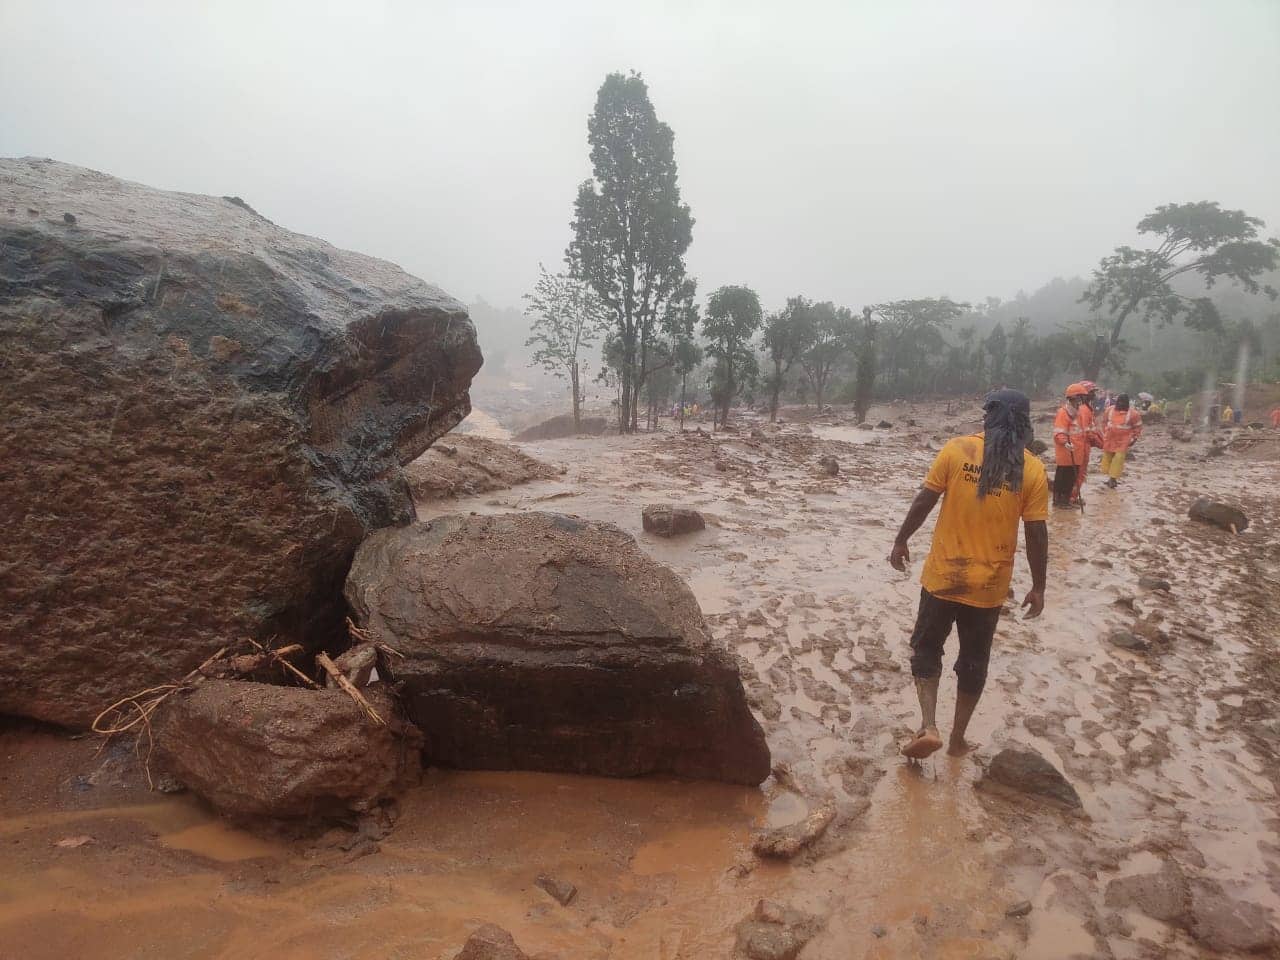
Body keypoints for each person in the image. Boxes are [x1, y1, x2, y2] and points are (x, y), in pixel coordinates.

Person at [888, 389, 1048, 759]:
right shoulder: (1033, 470)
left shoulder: (956, 450)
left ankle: (929, 725)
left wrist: (901, 540)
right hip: (989, 587)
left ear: (987, 416)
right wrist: (1039, 585)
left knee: (927, 649)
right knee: (974, 663)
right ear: (1025, 423)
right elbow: (1037, 532)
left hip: (944, 576)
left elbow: (925, 500)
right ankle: (958, 740)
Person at [1052, 383, 1090, 508]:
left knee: (1071, 479)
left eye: (1082, 398)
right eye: (1079, 398)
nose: (1081, 401)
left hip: (1077, 452)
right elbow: (1059, 432)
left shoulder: (1078, 413)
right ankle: (1059, 502)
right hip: (1066, 452)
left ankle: (1066, 500)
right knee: (1063, 479)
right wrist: (1065, 442)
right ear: (1072, 398)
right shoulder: (1063, 413)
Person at [1099, 394, 1143, 488]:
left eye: (1123, 402)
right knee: (1107, 458)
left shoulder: (1133, 414)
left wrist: (1134, 438)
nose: (1121, 403)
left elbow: (1138, 427)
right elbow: (1103, 422)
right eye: (1119, 401)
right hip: (1110, 439)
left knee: (1118, 459)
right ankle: (1109, 476)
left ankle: (1113, 479)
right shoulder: (1109, 410)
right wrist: (1104, 433)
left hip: (1123, 440)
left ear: (1127, 403)